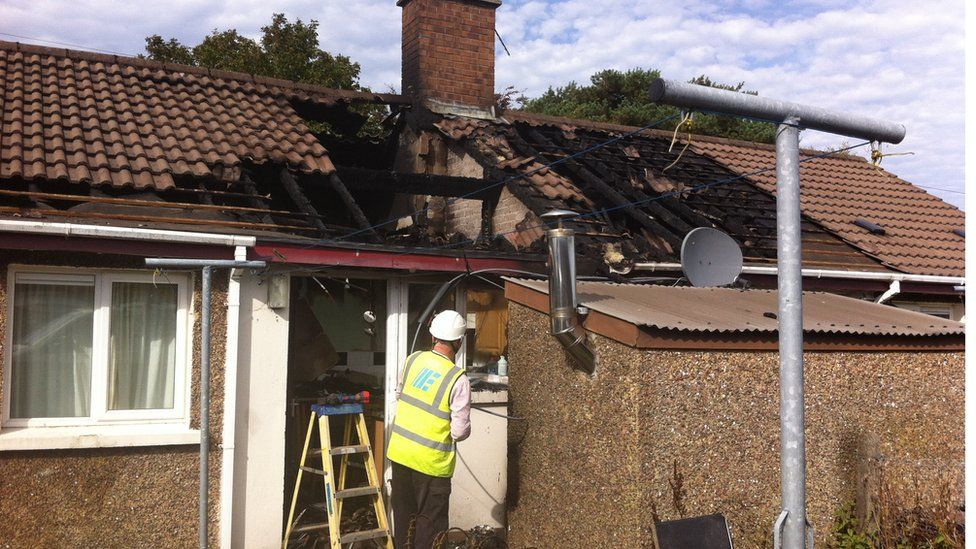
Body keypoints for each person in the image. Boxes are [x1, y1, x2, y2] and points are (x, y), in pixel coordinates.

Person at [387, 310, 471, 549]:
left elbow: (400, 395)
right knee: (430, 525)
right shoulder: (458, 379)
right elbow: (459, 432)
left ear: (433, 337)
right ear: (458, 341)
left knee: (404, 519)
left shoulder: (413, 360)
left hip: (401, 456)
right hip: (432, 465)